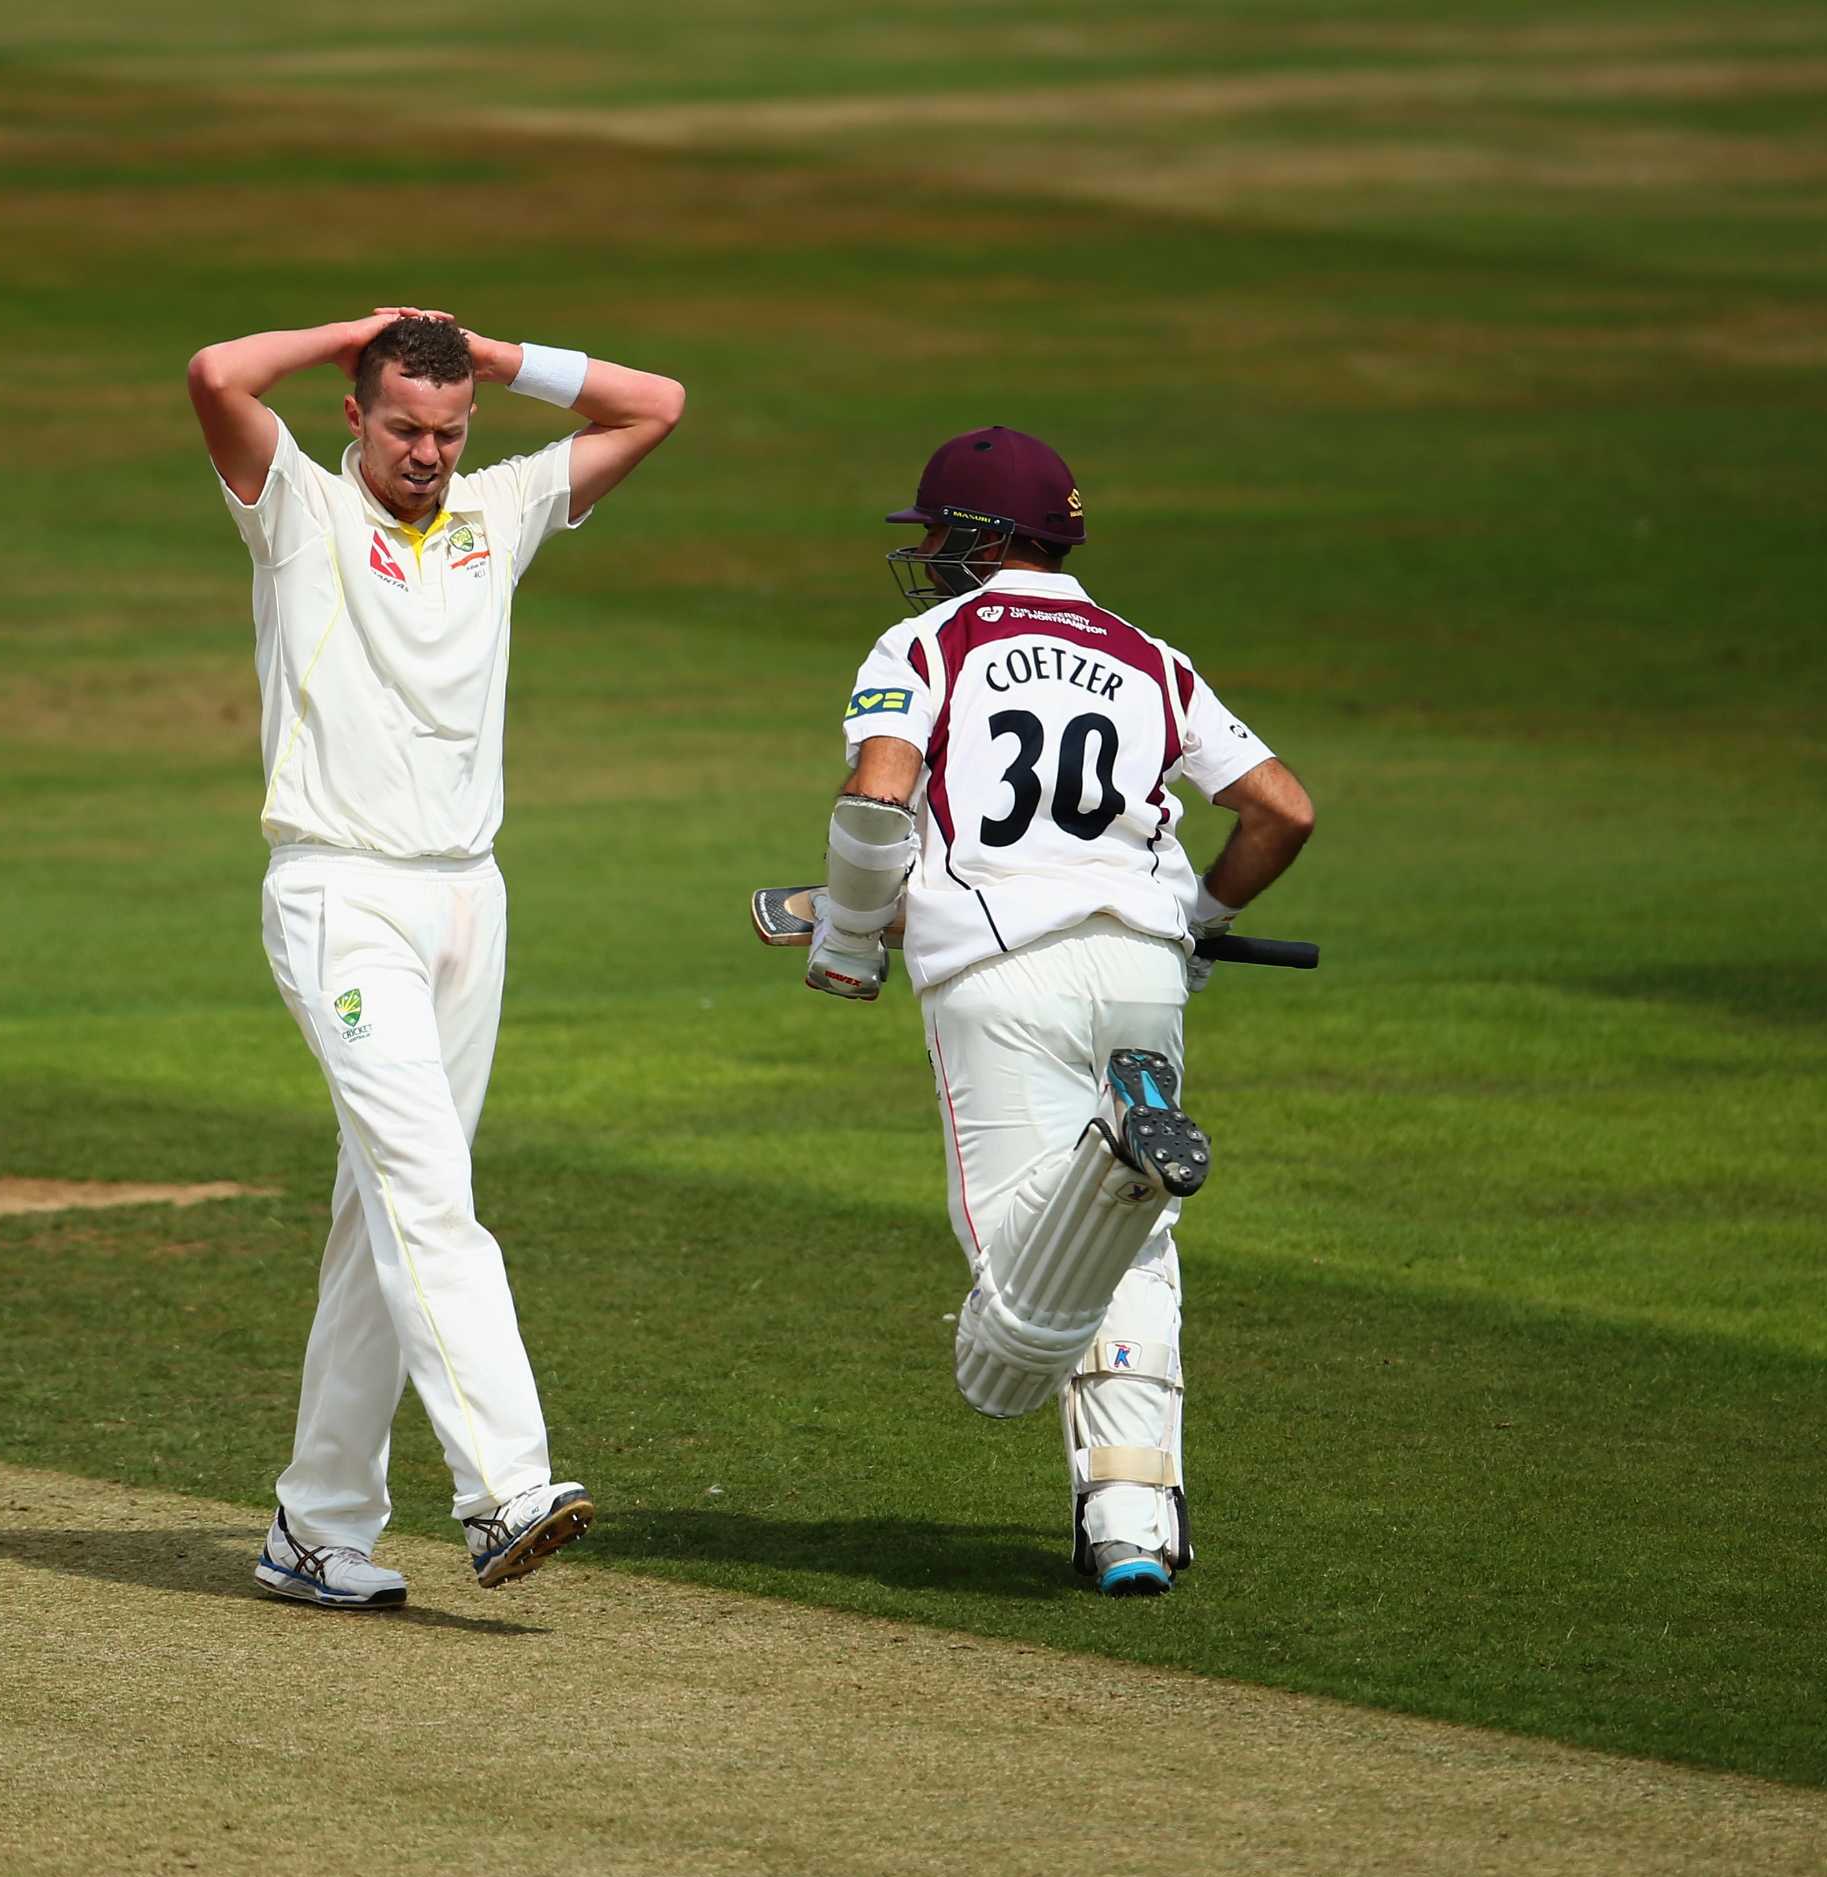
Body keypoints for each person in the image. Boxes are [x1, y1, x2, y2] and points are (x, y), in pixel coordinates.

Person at [185, 308, 683, 1606]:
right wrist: (361, 327)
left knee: (385, 1213)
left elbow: (656, 403)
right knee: (424, 1192)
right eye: (404, 426)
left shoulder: (498, 510)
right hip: (339, 891)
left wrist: (502, 358)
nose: (428, 452)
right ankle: (504, 1485)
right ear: (353, 415)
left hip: (471, 899)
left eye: (451, 431)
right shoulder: (296, 504)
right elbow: (217, 374)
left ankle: (314, 1525)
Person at [804, 428, 1313, 1595]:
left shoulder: (925, 640)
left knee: (1013, 1317)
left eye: (938, 533)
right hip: (1141, 967)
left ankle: (1111, 1161)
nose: (927, 552)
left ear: (981, 541)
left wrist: (843, 941)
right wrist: (1197, 920)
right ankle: (1131, 1520)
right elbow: (1281, 811)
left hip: (997, 972)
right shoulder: (1151, 656)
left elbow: (880, 800)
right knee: (1139, 1247)